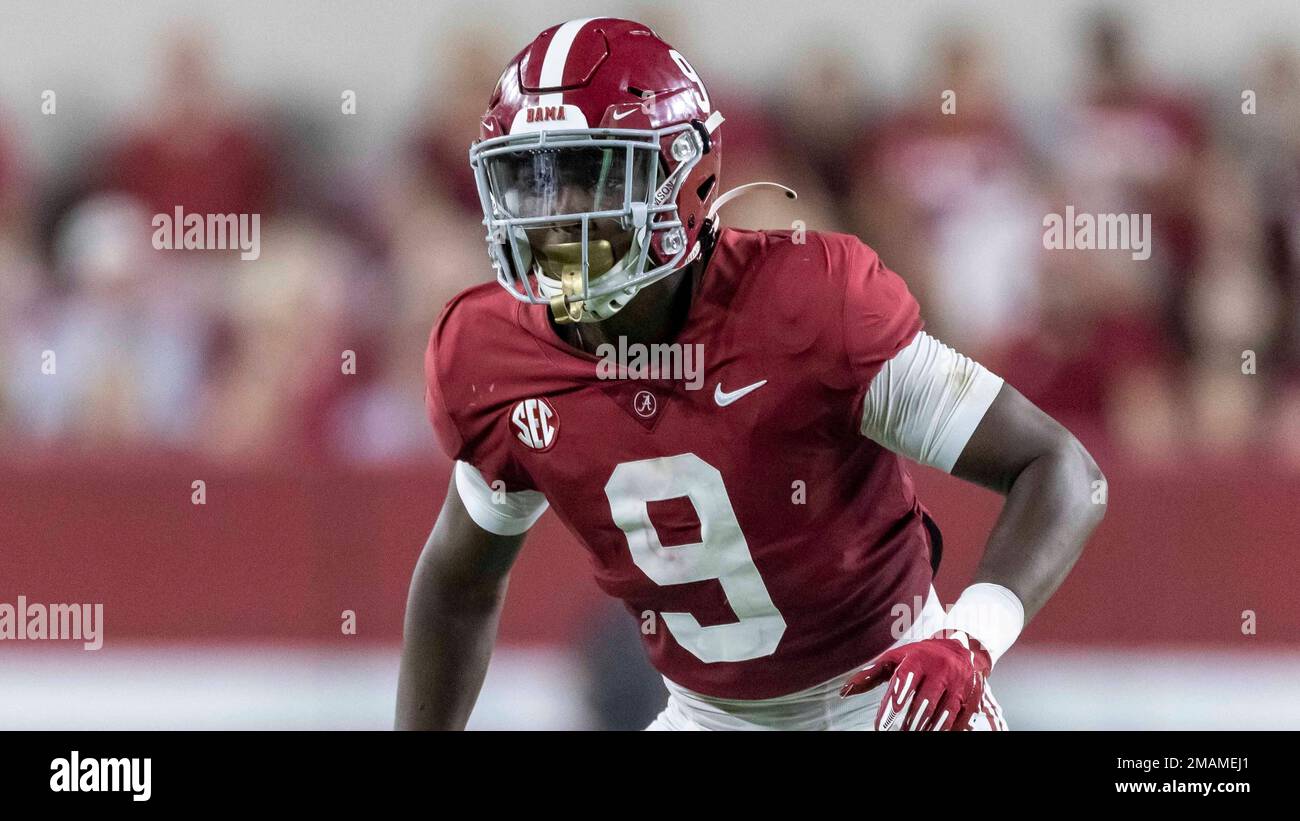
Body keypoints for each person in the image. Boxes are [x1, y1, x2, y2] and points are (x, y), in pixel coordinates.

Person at [396, 18, 1105, 731]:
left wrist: (971, 636)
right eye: (531, 179)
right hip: (706, 717)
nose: (554, 215)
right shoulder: (491, 356)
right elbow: (458, 582)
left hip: (892, 700)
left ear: (682, 172)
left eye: (587, 175)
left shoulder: (811, 304)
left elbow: (1061, 466)